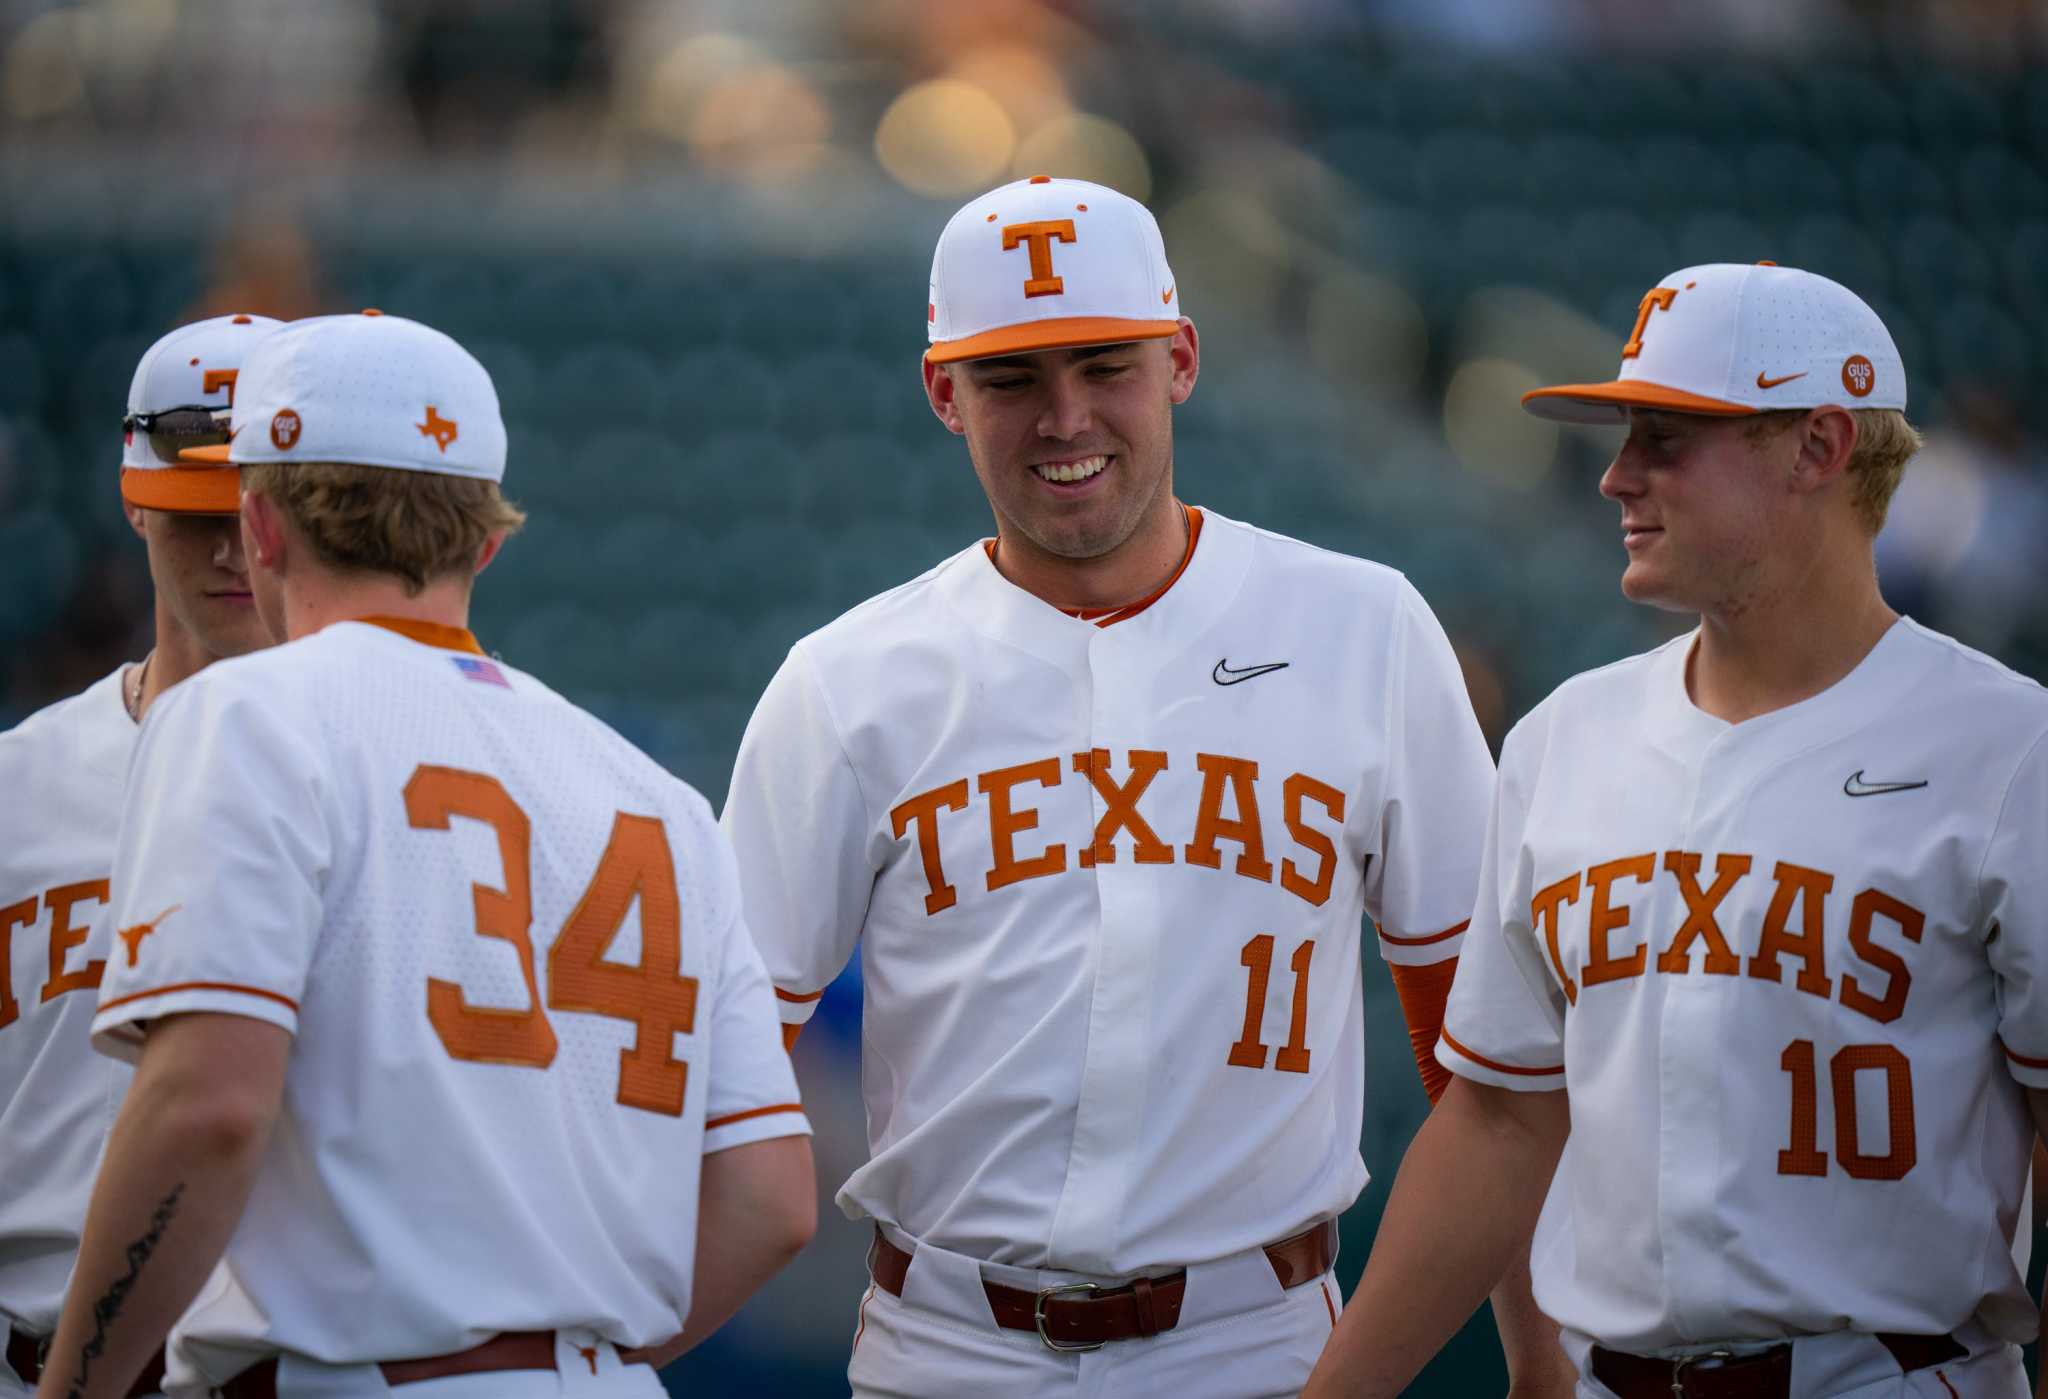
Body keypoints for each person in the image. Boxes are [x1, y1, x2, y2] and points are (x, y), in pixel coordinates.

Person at [720, 175, 1569, 1397]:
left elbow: (1479, 1067)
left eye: (1103, 364)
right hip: (943, 1347)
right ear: (941, 392)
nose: (1064, 416)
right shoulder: (845, 681)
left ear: (1180, 359)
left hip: (1258, 1338)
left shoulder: (1364, 629)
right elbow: (730, 1073)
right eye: (1011, 377)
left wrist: (1537, 1360)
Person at [32, 311, 816, 1399]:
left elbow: (208, 1106)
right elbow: (771, 1199)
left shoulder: (249, 714)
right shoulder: (658, 796)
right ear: (485, 537)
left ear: (258, 526)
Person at [1303, 262, 2048, 1399]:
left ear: (1818, 446)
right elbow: (1499, 1123)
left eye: (1666, 437)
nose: (1613, 476)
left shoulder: (2006, 747)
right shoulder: (1563, 737)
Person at [0, 312, 282, 1399]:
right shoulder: (20, 788)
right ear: (132, 500)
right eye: (190, 516)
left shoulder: (400, 791)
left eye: (252, 517)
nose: (225, 552)